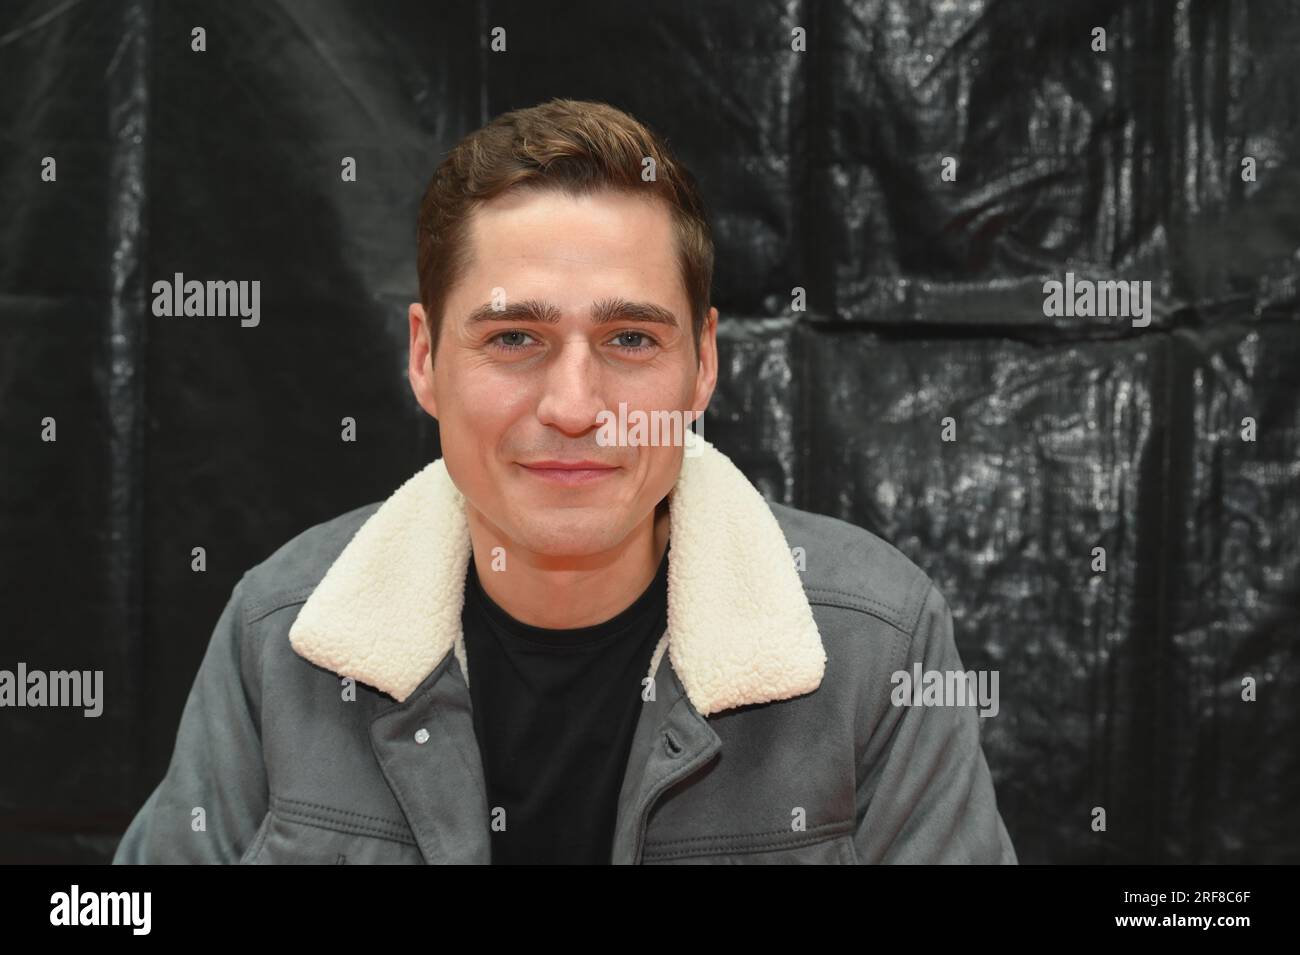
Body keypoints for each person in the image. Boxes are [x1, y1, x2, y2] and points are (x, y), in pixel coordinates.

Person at [113, 98, 1016, 864]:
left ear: (702, 364)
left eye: (630, 338)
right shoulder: (283, 636)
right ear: (426, 359)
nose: (578, 405)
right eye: (514, 339)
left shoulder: (874, 644)